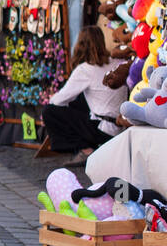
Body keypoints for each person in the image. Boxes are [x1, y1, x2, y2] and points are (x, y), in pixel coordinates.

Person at [43, 26, 126, 156]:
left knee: (50, 111)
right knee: (80, 100)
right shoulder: (118, 62)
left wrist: (53, 97)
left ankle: (85, 149)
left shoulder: (85, 69)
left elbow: (59, 101)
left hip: (104, 131)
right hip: (120, 127)